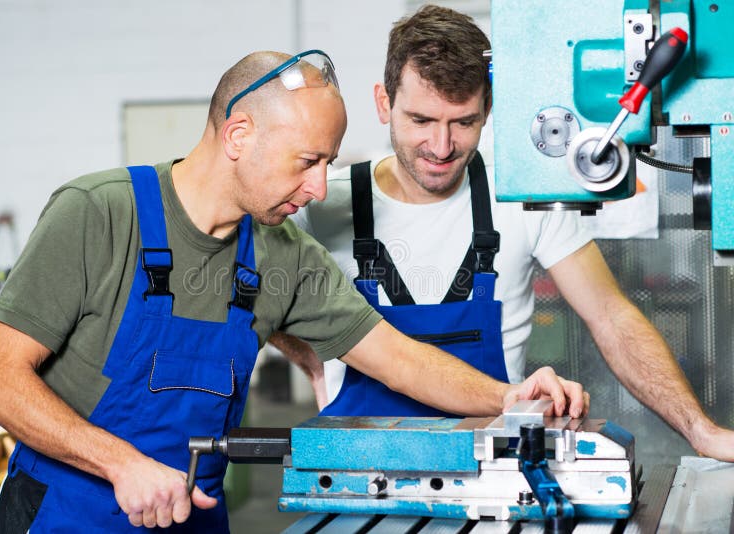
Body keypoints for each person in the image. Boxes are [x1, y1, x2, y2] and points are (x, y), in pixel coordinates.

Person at [0, 49, 586, 533]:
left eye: (329, 163)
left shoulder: (281, 255)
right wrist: (120, 464)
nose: (321, 188)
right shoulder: (99, 213)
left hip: (196, 517)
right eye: (307, 161)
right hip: (66, 514)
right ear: (238, 136)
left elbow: (397, 358)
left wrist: (510, 397)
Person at [270, 5, 734, 460]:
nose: (441, 146)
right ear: (384, 103)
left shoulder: (520, 198)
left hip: (496, 474)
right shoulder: (319, 203)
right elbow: (248, 291)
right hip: (354, 469)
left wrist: (701, 431)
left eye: (463, 122)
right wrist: (313, 358)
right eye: (421, 121)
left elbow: (611, 317)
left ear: (488, 110)